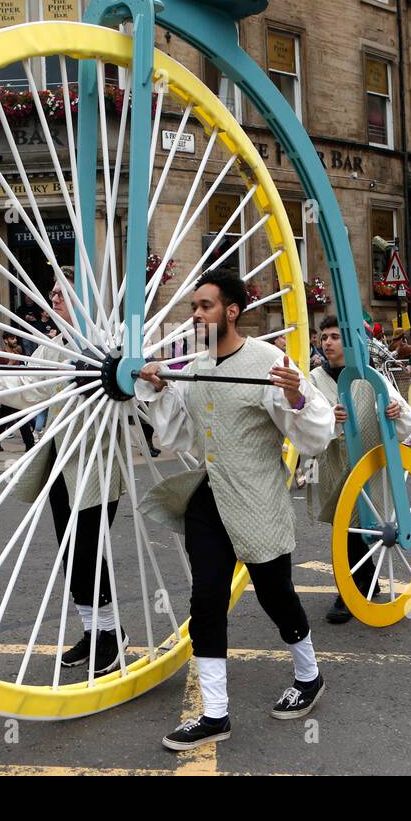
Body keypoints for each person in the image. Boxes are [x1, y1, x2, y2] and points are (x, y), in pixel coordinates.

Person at [137, 268, 335, 750]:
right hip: (209, 497)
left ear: (231, 310)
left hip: (258, 498)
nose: (196, 314)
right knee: (205, 601)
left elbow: (313, 434)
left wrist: (296, 395)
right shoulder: (196, 365)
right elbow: (178, 433)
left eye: (204, 305)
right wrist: (160, 389)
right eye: (193, 306)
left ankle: (309, 676)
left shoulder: (268, 360)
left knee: (276, 595)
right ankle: (214, 714)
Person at [0, 267, 128, 676]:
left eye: (61, 292)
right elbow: (29, 387)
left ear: (84, 300)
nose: (53, 297)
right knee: (70, 550)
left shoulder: (112, 345)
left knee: (91, 550)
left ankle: (113, 635)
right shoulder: (52, 347)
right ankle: (94, 632)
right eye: (53, 291)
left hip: (96, 464)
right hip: (61, 459)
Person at [307, 315, 411, 624]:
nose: (327, 342)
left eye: (334, 337)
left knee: (356, 526)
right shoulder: (315, 377)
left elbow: (400, 410)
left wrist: (395, 411)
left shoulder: (368, 374)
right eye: (323, 337)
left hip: (366, 460)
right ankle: (367, 579)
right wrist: (329, 417)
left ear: (349, 342)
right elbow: (310, 418)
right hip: (335, 462)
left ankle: (352, 590)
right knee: (346, 526)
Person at [0, 333, 36, 452]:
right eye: (12, 338)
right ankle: (29, 443)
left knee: (4, 416)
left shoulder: (17, 352)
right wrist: (10, 362)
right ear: (5, 340)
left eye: (15, 338)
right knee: (21, 416)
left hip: (17, 388)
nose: (15, 340)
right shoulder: (1, 354)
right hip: (8, 389)